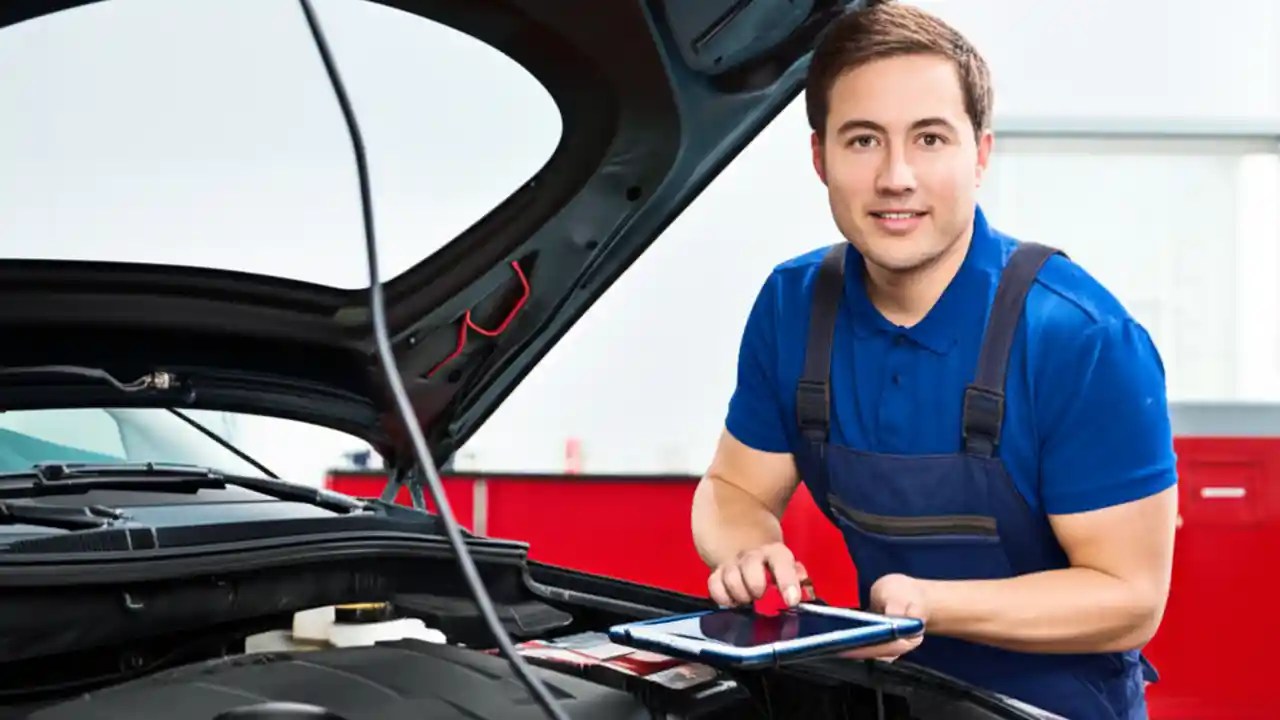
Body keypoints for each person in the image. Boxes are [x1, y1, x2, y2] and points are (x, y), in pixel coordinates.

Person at [689, 2, 1178, 718]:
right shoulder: (793, 306)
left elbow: (1129, 598)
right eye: (862, 141)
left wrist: (926, 606)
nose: (896, 176)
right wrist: (748, 548)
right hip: (892, 700)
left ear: (979, 154)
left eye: (929, 139)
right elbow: (732, 486)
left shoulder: (1081, 338)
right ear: (819, 156)